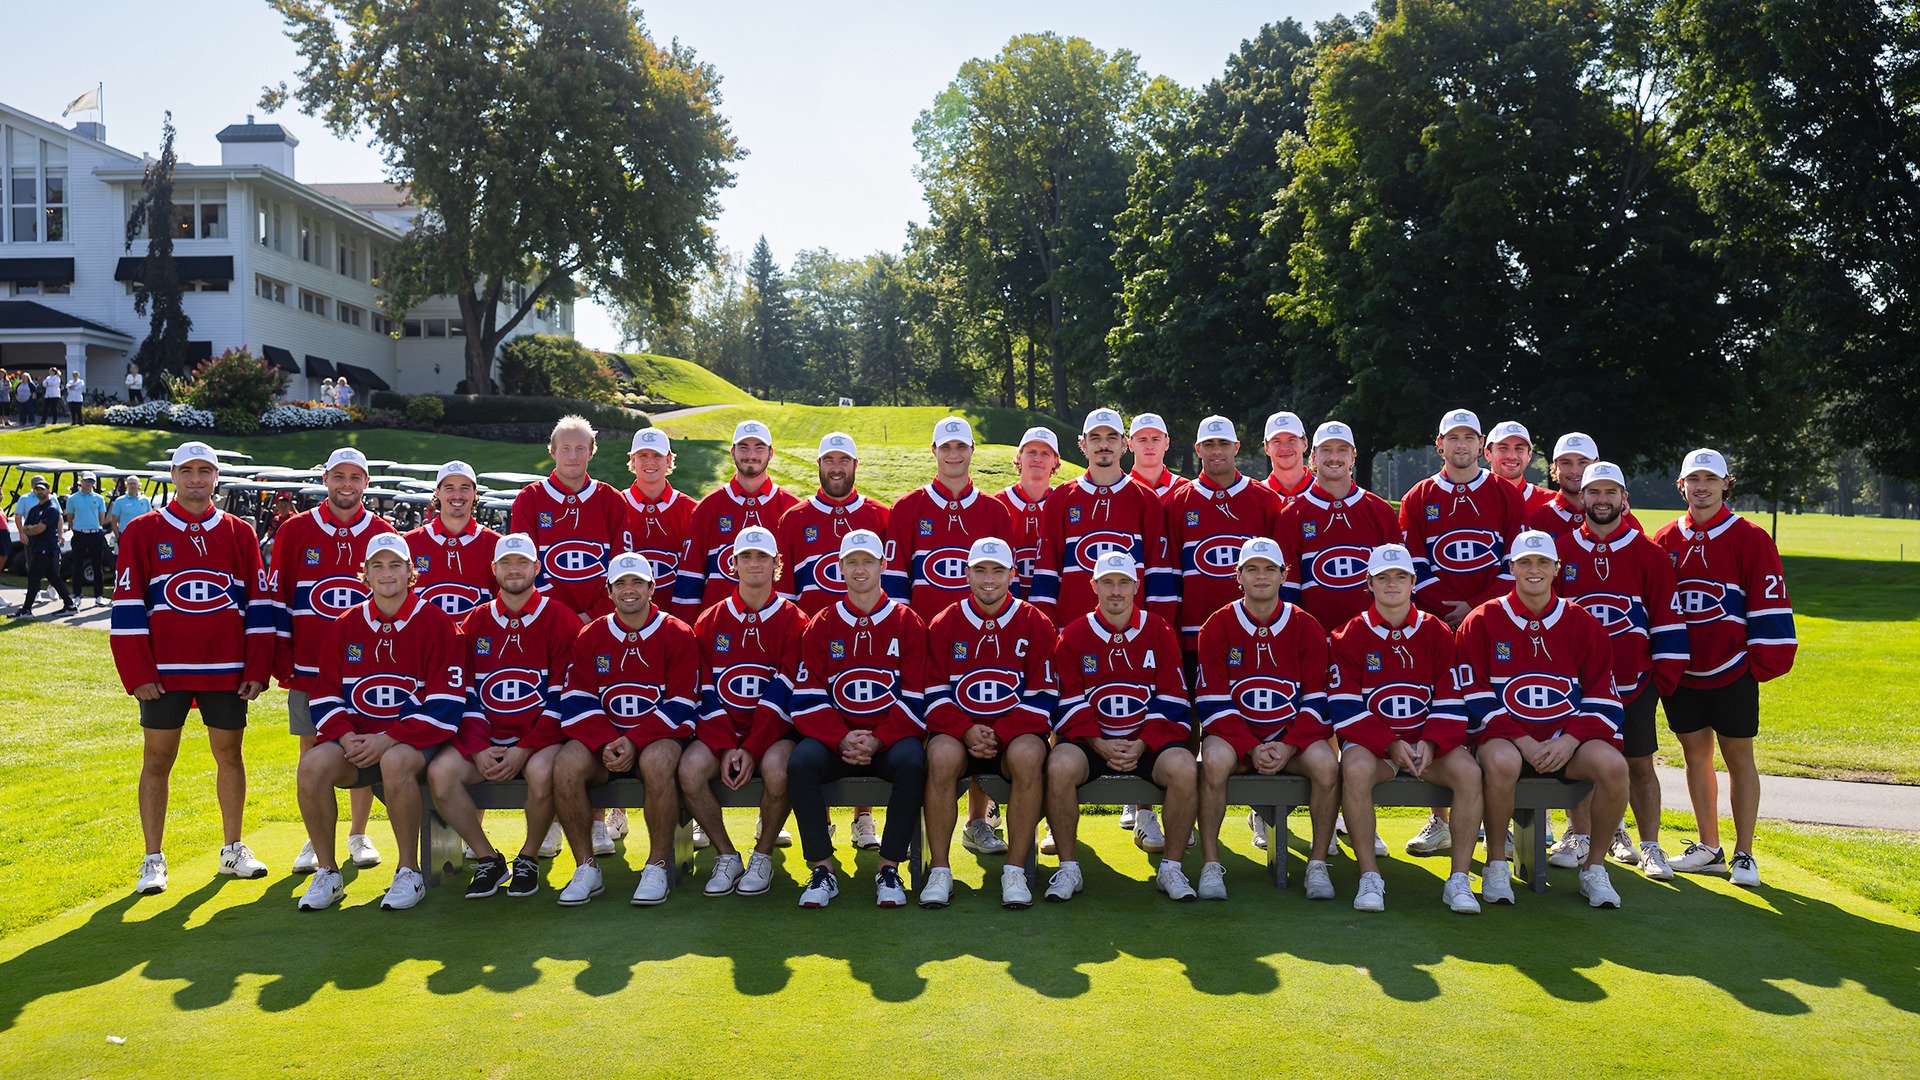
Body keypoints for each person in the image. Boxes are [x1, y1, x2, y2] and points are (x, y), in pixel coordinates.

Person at [113, 440, 275, 894]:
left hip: (226, 669)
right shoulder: (142, 530)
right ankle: (152, 858)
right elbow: (126, 605)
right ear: (173, 476)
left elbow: (258, 604)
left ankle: (233, 848)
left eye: (205, 470)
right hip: (164, 673)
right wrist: (138, 672)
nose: (196, 479)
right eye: (188, 470)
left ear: (217, 477)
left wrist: (256, 667)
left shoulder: (240, 532)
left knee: (230, 755)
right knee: (158, 759)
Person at [294, 533, 465, 911]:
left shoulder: (438, 623)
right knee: (312, 766)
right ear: (365, 575)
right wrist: (344, 735)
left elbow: (447, 702)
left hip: (416, 740)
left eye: (395, 565)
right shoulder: (345, 624)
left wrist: (389, 738)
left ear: (411, 573)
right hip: (358, 740)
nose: (386, 574)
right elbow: (324, 693)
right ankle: (328, 871)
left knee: (395, 760)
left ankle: (408, 870)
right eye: (377, 566)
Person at [1459, 530, 1629, 908]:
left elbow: (1605, 696)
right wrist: (1523, 740)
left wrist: (1569, 740)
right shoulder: (1482, 620)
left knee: (1615, 767)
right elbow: (1474, 693)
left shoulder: (1582, 622)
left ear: (1557, 569)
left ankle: (1595, 868)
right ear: (1512, 568)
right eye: (1524, 563)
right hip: (1507, 741)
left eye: (1542, 563)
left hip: (1566, 742)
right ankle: (1496, 864)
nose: (1533, 570)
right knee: (1502, 762)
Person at [1652, 448, 1797, 887]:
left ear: (1725, 484)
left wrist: (1757, 662)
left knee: (1739, 757)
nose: (1701, 487)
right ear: (1681, 486)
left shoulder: (1750, 537)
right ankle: (1709, 847)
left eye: (1710, 480)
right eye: (1693, 480)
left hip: (1733, 669)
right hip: (1683, 672)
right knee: (1695, 756)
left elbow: (1769, 601)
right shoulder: (1664, 539)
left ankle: (1744, 854)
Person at [1399, 409, 1528, 858]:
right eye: (1452, 438)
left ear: (1481, 446)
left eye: (1469, 438)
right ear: (1440, 444)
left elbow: (1516, 561)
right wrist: (1448, 609)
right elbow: (1414, 564)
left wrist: (1474, 608)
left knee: (1488, 719)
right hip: (1437, 627)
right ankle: (1440, 822)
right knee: (1441, 719)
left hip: (1493, 627)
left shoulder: (1505, 494)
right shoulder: (1419, 496)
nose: (1461, 445)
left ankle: (1498, 828)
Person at [1550, 462, 1687, 879]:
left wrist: (1659, 680)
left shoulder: (1648, 552)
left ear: (1624, 498)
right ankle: (1582, 836)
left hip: (1634, 681)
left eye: (1611, 492)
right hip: (1576, 686)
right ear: (1583, 498)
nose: (1603, 500)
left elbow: (1667, 619)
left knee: (1640, 764)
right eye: (1595, 492)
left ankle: (1650, 846)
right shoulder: (1560, 551)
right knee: (1578, 759)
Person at [1329, 544, 1481, 914]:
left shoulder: (1439, 632)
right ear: (1369, 583)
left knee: (1469, 772)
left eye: (1400, 576)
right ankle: (1369, 876)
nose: (1392, 584)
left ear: (1414, 582)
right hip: (1376, 748)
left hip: (1428, 747)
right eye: (1383, 577)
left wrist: (1431, 741)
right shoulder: (1347, 636)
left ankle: (1458, 879)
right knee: (1353, 769)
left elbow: (1452, 695)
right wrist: (1389, 742)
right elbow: (1343, 704)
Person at [883, 417, 1011, 851]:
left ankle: (979, 822)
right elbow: (897, 583)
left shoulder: (994, 511)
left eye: (962, 447)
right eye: (946, 447)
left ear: (973, 450)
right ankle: (922, 836)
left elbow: (1007, 582)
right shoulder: (906, 508)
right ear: (933, 451)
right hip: (924, 644)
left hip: (984, 640)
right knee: (932, 738)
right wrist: (907, 637)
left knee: (986, 721)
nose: (953, 455)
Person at [429, 533, 581, 899]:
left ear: (536, 567)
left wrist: (525, 748)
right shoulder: (474, 621)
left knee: (543, 772)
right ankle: (487, 859)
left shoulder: (561, 619)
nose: (514, 569)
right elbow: (462, 691)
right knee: (440, 773)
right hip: (486, 739)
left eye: (522, 562)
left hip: (539, 740)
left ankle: (527, 857)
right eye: (507, 563)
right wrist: (480, 747)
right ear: (493, 569)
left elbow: (564, 695)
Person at [786, 529, 930, 909]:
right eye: (852, 562)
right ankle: (822, 868)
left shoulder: (907, 621)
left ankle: (889, 866)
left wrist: (879, 738)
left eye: (868, 561)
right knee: (800, 762)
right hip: (839, 740)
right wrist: (840, 738)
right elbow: (807, 698)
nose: (860, 569)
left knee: (914, 762)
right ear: (840, 567)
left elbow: (917, 696)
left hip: (890, 739)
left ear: (883, 566)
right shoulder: (822, 623)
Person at [1044, 550, 1196, 901]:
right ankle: (1068, 868)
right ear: (1093, 585)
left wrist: (1142, 742)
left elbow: (1174, 696)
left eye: (1123, 582)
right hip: (1092, 742)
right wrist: (1098, 742)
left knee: (1185, 768)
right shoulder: (1075, 634)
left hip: (1145, 742)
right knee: (1059, 764)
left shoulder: (1159, 629)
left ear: (1136, 586)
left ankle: (1171, 868)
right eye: (1108, 582)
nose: (1116, 590)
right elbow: (1066, 697)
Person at [274, 446, 397, 875]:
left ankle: (358, 833)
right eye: (339, 476)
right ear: (325, 479)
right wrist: (281, 659)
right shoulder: (295, 530)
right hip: (308, 667)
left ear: (366, 482)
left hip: (366, 670)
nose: (347, 485)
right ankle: (315, 834)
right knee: (312, 753)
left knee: (361, 749)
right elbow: (279, 599)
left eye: (355, 477)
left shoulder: (383, 533)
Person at [551, 552, 699, 906]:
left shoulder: (678, 633)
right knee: (565, 765)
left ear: (652, 587)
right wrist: (605, 741)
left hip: (658, 737)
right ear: (609, 590)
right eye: (620, 583)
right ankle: (586, 867)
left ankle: (657, 865)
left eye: (636, 582)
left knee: (658, 763)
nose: (628, 590)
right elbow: (575, 699)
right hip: (605, 741)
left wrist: (633, 740)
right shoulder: (591, 636)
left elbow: (683, 703)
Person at [1192, 538, 1334, 901]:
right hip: (1237, 737)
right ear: (1237, 575)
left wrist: (1288, 746)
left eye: (1270, 568)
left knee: (1326, 764)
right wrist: (1250, 747)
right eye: (1252, 568)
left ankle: (1317, 864)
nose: (1261, 576)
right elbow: (1212, 700)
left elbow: (1319, 700)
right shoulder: (1218, 625)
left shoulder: (1306, 625)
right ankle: (1210, 863)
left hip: (1290, 736)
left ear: (1284, 575)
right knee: (1214, 760)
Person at [922, 537, 1057, 908]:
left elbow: (1045, 696)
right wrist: (964, 728)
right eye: (980, 570)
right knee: (940, 757)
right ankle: (939, 869)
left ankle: (1014, 871)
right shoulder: (945, 622)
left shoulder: (1035, 622)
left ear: (1013, 575)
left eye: (998, 570)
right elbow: (932, 693)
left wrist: (1002, 732)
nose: (988, 579)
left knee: (1031, 755)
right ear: (966, 574)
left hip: (1012, 737)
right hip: (958, 732)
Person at [682, 526, 808, 897]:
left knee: (778, 769)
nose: (754, 564)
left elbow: (785, 689)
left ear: (777, 565)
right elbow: (704, 687)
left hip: (773, 734)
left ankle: (763, 855)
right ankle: (726, 854)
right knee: (689, 770)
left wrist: (751, 747)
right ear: (733, 564)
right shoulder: (710, 620)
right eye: (746, 557)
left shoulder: (795, 620)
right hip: (722, 732)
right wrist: (725, 746)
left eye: (763, 557)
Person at [510, 416, 634, 622]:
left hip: (603, 620)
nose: (573, 456)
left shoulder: (611, 499)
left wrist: (595, 614)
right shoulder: (529, 498)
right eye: (565, 448)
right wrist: (560, 614)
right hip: (544, 618)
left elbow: (623, 565)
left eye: (580, 448)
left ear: (591, 452)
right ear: (552, 452)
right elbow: (522, 565)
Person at [674, 420, 799, 619]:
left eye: (759, 448)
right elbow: (690, 578)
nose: (751, 455)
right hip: (718, 628)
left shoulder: (791, 508)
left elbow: (799, 580)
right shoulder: (708, 507)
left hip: (777, 627)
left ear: (771, 453)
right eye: (743, 448)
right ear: (732, 452)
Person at [777, 432, 892, 617]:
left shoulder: (881, 515)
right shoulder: (793, 519)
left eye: (844, 460)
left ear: (856, 464)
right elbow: (783, 594)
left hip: (872, 632)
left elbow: (891, 586)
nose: (836, 468)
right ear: (818, 463)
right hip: (812, 636)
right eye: (829, 460)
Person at [404, 460, 501, 618]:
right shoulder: (410, 542)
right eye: (449, 488)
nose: (457, 495)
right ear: (437, 492)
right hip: (425, 641)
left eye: (464, 488)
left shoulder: (495, 544)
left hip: (475, 641)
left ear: (475, 493)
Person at [619, 428, 695, 594]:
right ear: (633, 460)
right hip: (627, 610)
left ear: (668, 460)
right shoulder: (616, 505)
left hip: (676, 611)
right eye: (643, 455)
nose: (650, 461)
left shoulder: (690, 509)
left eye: (657, 456)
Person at [994, 426, 1063, 601]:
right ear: (1019, 456)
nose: (1037, 459)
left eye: (1045, 454)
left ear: (1055, 461)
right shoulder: (997, 504)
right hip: (1005, 606)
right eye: (1031, 452)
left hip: (1052, 601)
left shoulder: (1064, 504)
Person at [1527, 433, 1643, 536]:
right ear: (1556, 465)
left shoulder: (1622, 517)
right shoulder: (1538, 519)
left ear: (1596, 463)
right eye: (1566, 463)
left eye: (1583, 462)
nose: (1575, 470)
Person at [17, 477, 75, 616]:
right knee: (54, 578)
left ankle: (26, 609)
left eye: (42, 489)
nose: (39, 492)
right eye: (37, 489)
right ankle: (70, 605)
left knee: (34, 577)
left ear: (48, 491)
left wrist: (31, 528)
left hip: (47, 549)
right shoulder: (34, 510)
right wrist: (31, 528)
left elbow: (39, 529)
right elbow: (25, 527)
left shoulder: (52, 509)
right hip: (37, 547)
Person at [1483, 420, 1555, 513]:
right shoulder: (1471, 498)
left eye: (1519, 449)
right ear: (1487, 454)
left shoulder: (1550, 502)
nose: (1512, 456)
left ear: (1529, 455)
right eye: (1503, 448)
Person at [64, 471, 110, 606]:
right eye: (87, 481)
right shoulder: (73, 499)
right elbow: (70, 518)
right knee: (77, 565)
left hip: (95, 534)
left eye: (92, 482)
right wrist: (77, 528)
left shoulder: (99, 499)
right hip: (79, 534)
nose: (89, 484)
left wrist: (94, 527)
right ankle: (77, 595)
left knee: (97, 566)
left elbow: (101, 518)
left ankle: (98, 596)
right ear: (81, 481)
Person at [1126, 413, 1188, 499]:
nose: (1150, 446)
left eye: (1155, 439)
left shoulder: (1186, 489)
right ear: (1131, 445)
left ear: (1166, 443)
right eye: (1142, 440)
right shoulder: (1120, 490)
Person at [1259, 411, 1313, 505]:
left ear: (1304, 444)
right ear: (1266, 448)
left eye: (1291, 440)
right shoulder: (1256, 495)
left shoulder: (1325, 490)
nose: (1284, 448)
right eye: (1277, 442)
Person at [106, 477, 153, 542]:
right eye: (130, 484)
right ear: (126, 485)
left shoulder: (145, 500)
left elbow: (150, 519)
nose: (132, 486)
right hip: (125, 535)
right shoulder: (119, 501)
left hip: (142, 535)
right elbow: (114, 521)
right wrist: (118, 536)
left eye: (134, 483)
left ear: (139, 485)